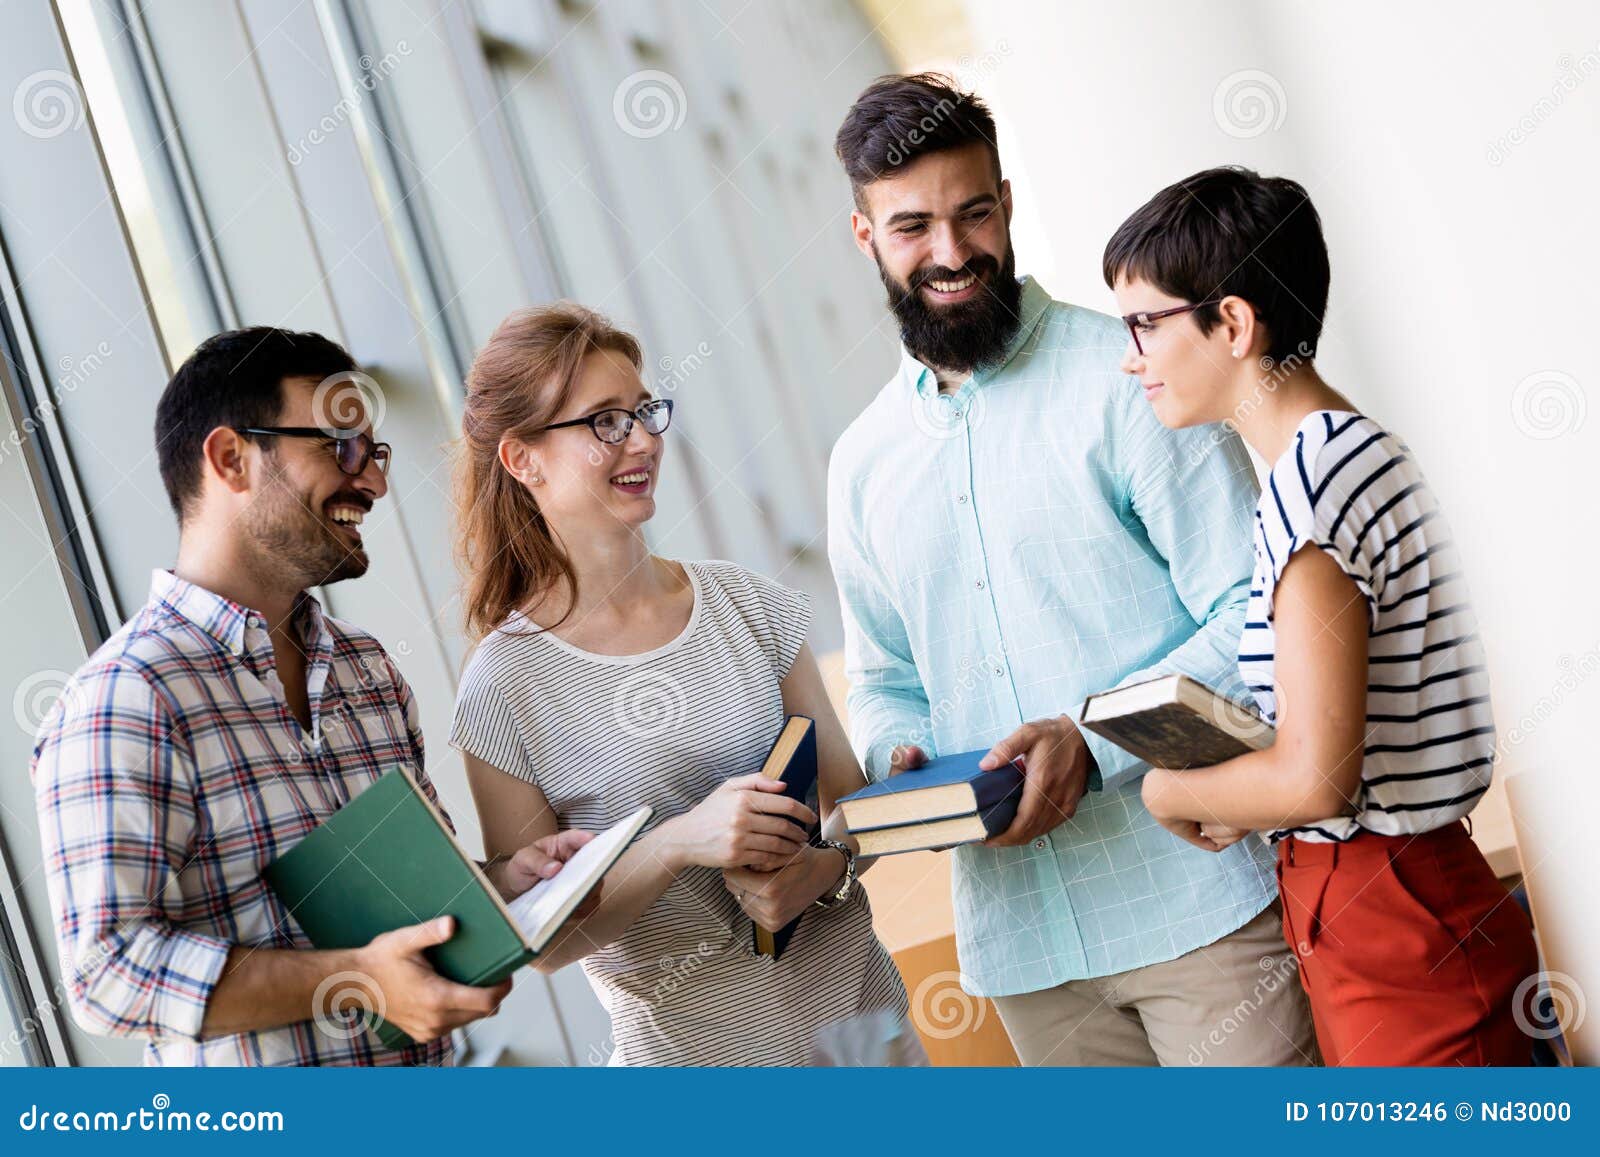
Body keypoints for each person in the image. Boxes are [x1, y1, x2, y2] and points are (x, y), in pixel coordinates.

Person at [827, 73, 1316, 1066]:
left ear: (1006, 205)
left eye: (972, 213)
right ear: (865, 236)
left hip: (1199, 910)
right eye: (913, 225)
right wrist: (901, 761)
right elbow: (884, 678)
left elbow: (1251, 607)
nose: (952, 251)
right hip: (1025, 953)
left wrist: (1092, 740)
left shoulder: (1129, 379)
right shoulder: (861, 461)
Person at [29, 328, 592, 1066]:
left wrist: (500, 882)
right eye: (340, 447)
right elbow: (108, 974)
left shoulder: (367, 669)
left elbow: (402, 907)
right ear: (231, 459)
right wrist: (358, 979)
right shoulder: (127, 699)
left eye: (376, 452)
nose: (374, 482)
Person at [1106, 166, 1539, 1066]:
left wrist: (1170, 789)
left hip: (1393, 917)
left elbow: (1315, 780)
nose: (1130, 356)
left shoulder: (1312, 487)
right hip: (1399, 904)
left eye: (1145, 323)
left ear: (1232, 323)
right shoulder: (1349, 452)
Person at [448, 304, 916, 1067]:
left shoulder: (745, 604)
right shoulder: (505, 685)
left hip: (869, 1043)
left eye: (642, 411)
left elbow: (853, 804)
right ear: (522, 459)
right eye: (603, 421)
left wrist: (821, 871)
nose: (641, 440)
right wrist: (676, 841)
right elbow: (543, 943)